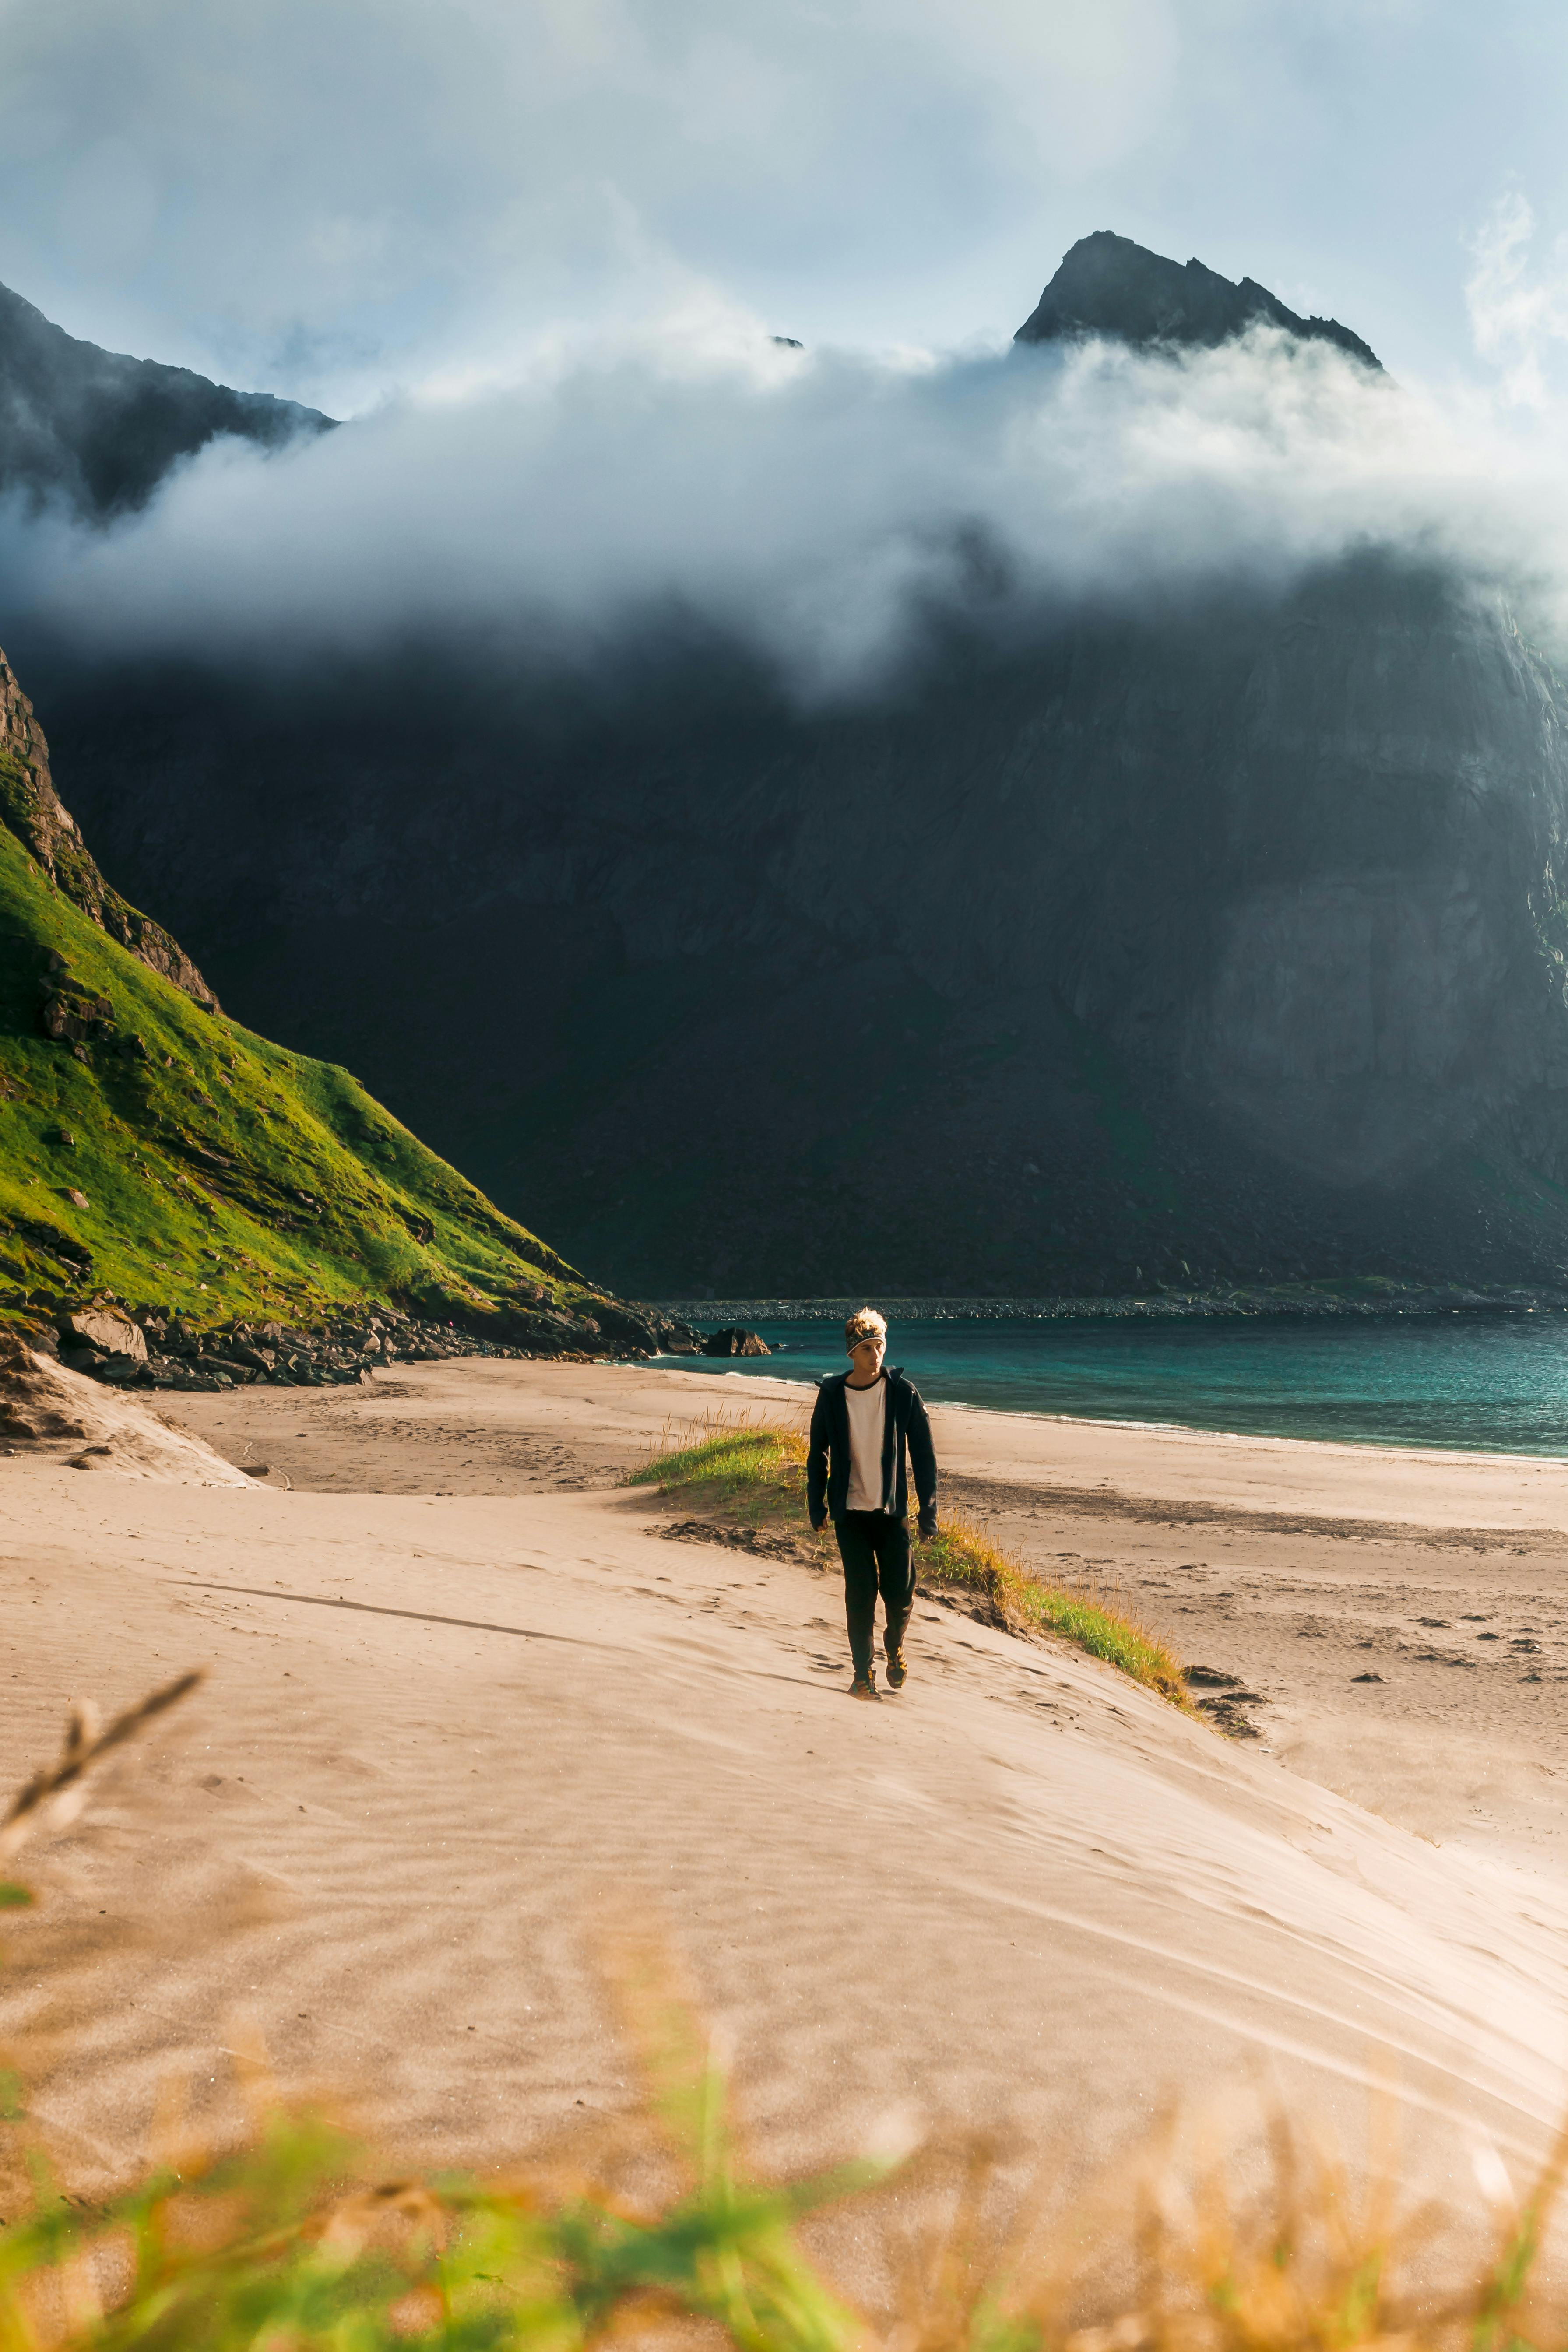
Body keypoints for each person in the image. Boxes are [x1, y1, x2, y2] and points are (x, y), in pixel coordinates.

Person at [807, 1307, 938, 1700]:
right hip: (851, 1516)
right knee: (860, 1593)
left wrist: (928, 1513)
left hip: (891, 1512)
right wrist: (818, 1507)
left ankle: (894, 1643)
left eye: (879, 1345)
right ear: (852, 1353)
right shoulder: (832, 1394)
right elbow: (818, 1454)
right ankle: (862, 1675)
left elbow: (925, 1456)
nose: (875, 1354)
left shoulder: (903, 1393)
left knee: (900, 1594)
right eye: (867, 1348)